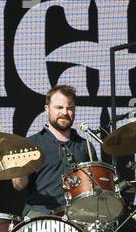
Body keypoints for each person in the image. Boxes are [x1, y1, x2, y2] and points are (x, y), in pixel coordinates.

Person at [11, 84, 93, 216]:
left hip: (77, 216)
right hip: (41, 215)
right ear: (47, 109)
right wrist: (18, 170)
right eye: (59, 107)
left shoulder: (85, 146)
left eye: (70, 108)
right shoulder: (31, 143)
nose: (65, 112)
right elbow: (18, 185)